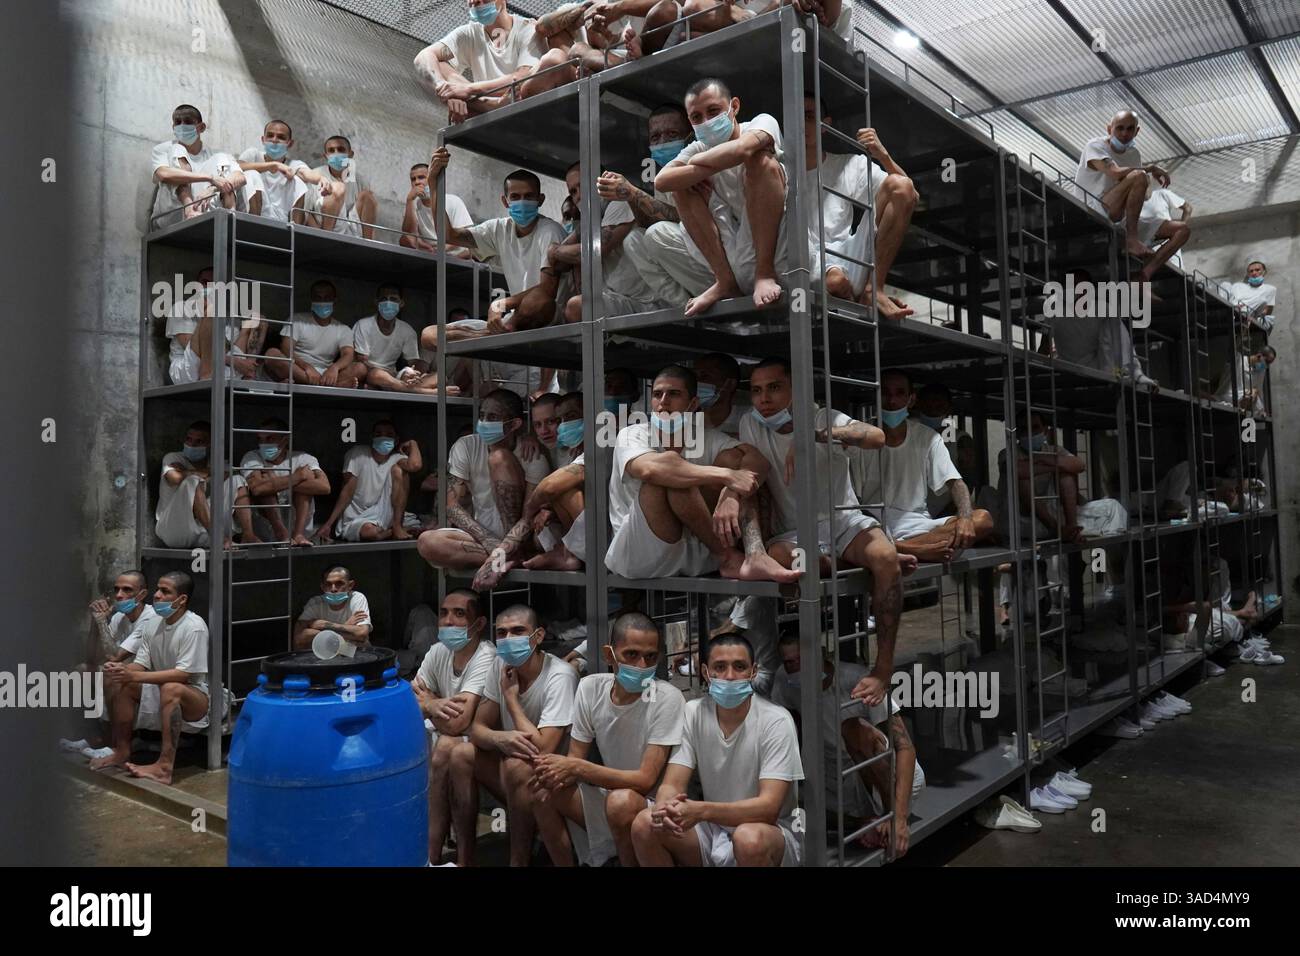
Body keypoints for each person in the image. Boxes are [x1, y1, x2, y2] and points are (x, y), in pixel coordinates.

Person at [743, 357, 911, 703]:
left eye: (774, 387)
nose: (764, 398)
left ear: (795, 389)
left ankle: (882, 668)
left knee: (885, 558)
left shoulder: (822, 417)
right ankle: (838, 562)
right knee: (798, 565)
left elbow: (876, 436)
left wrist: (814, 437)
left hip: (843, 521)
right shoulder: (750, 424)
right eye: (756, 390)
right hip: (792, 531)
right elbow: (750, 472)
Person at [605, 364, 799, 583]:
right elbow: (649, 469)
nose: (663, 402)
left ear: (693, 403)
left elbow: (757, 460)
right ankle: (728, 556)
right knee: (672, 474)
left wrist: (731, 493)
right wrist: (726, 476)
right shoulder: (632, 433)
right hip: (641, 555)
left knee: (734, 460)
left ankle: (756, 554)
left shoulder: (704, 436)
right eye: (658, 394)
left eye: (674, 394)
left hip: (696, 551)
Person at [631, 633, 804, 867]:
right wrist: (665, 806)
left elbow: (768, 808)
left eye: (739, 667)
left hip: (770, 833)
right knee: (645, 823)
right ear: (705, 672)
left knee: (748, 839)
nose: (730, 676)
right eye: (720, 667)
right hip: (716, 829)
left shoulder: (776, 721)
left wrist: (702, 811)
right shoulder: (694, 712)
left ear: (753, 672)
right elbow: (673, 783)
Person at [529, 612, 685, 866]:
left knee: (620, 802)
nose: (641, 665)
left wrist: (577, 768)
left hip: (649, 807)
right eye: (631, 654)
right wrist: (556, 770)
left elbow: (645, 780)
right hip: (609, 795)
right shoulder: (590, 688)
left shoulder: (667, 698)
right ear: (609, 654)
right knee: (542, 789)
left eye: (650, 657)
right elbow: (573, 761)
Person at [770, 630, 924, 858]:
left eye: (802, 659)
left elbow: (905, 748)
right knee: (787, 804)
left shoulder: (857, 680)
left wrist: (898, 818)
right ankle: (866, 822)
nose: (796, 667)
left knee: (851, 728)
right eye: (790, 662)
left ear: (821, 655)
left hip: (889, 779)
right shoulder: (785, 679)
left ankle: (885, 815)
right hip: (842, 781)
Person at [652, 78, 788, 314]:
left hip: (779, 232)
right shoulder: (699, 147)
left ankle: (764, 273)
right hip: (738, 238)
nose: (706, 122)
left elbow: (742, 149)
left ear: (733, 107)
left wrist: (695, 166)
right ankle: (724, 281)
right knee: (680, 188)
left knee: (760, 160)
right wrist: (709, 164)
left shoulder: (762, 122)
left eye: (713, 111)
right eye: (696, 117)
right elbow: (662, 181)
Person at [466, 604, 579, 866]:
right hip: (516, 765)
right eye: (502, 633)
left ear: (538, 636)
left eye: (518, 631)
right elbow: (477, 729)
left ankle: (519, 859)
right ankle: (464, 858)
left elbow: (543, 749)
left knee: (518, 766)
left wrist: (511, 699)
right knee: (457, 752)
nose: (508, 640)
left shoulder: (560, 675)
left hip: (553, 775)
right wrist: (499, 739)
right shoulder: (499, 664)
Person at [89, 572, 213, 785]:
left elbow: (184, 674)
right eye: (157, 589)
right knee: (121, 680)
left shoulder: (194, 626)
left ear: (181, 599)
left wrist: (134, 673)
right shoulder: (154, 622)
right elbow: (141, 663)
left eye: (165, 592)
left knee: (171, 687)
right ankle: (122, 751)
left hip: (194, 696)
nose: (157, 595)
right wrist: (122, 670)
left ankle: (164, 767)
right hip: (160, 688)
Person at [857, 369, 994, 562]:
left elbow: (956, 483)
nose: (892, 401)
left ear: (911, 400)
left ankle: (905, 548)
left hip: (917, 523)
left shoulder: (928, 437)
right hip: (875, 524)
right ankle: (914, 549)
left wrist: (964, 517)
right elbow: (851, 501)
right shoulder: (860, 437)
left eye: (899, 393)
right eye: (885, 393)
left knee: (983, 519)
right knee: (855, 532)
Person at [424, 152, 568, 330]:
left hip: (547, 316)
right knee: (430, 334)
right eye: (515, 197)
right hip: (515, 317)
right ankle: (491, 335)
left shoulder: (550, 231)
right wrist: (433, 184)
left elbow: (546, 291)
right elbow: (449, 236)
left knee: (536, 302)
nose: (522, 202)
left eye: (529, 196)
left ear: (540, 200)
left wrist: (499, 304)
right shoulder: (499, 229)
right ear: (505, 201)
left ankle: (494, 334)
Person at [803, 95, 917, 319]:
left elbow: (910, 195)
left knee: (901, 186)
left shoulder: (847, 164)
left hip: (846, 255)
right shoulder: (778, 167)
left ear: (825, 124)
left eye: (809, 116)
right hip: (803, 260)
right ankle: (851, 290)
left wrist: (883, 156)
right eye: (796, 117)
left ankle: (873, 289)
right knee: (836, 281)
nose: (802, 124)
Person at [417, 389, 551, 570]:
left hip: (522, 539)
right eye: (482, 416)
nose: (484, 422)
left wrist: (508, 545)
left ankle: (509, 555)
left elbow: (529, 516)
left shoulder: (532, 455)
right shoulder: (466, 445)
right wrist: (491, 543)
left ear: (514, 424)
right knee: (427, 543)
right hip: (484, 538)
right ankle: (508, 559)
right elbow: (451, 505)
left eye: (493, 417)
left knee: (499, 458)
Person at [413, 588, 497, 866]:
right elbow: (412, 699)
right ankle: (433, 858)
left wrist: (430, 702)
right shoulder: (438, 651)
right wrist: (432, 706)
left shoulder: (487, 656)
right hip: (447, 735)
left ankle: (461, 859)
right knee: (441, 746)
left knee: (447, 748)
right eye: (444, 613)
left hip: (484, 741)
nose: (448, 621)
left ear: (479, 623)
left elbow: (460, 722)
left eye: (459, 614)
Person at [475, 392, 589, 586]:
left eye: (552, 421)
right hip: (549, 528)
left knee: (563, 492)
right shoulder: (540, 448)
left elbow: (555, 489)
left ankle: (566, 553)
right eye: (537, 425)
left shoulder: (580, 448)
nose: (544, 430)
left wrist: (542, 507)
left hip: (591, 532)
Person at [1072, 111, 1183, 281]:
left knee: (1181, 230)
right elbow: (1115, 172)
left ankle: (1144, 275)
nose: (1125, 134)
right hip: (1094, 208)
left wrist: (1145, 181)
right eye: (1120, 128)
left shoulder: (1133, 154)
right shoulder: (1095, 146)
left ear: (1136, 132)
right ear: (1109, 129)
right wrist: (1150, 169)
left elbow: (1143, 195)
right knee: (1139, 176)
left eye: (1130, 129)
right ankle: (1132, 240)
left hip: (1120, 217)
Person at [1000, 410, 1128, 544]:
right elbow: (1017, 471)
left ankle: (1071, 528)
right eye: (1025, 429)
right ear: (1018, 433)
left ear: (1045, 430)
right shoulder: (1008, 453)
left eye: (1035, 427)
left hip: (1052, 512)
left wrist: (1040, 458)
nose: (1030, 433)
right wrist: (1054, 464)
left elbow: (1079, 465)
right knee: (1023, 478)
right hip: (1020, 518)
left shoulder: (1052, 450)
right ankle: (1056, 529)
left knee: (1066, 473)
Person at [413, 0, 544, 122]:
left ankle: (482, 104)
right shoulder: (469, 33)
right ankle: (489, 105)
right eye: (473, 2)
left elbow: (524, 76)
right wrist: (446, 90)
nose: (478, 3)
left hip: (523, 108)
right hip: (486, 109)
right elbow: (423, 56)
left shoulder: (528, 28)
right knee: (439, 65)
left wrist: (468, 89)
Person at [148, 104, 259, 226]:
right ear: (173, 127)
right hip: (174, 213)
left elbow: (240, 178)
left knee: (221, 158)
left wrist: (213, 188)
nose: (182, 126)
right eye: (178, 122)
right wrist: (210, 178)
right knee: (177, 148)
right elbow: (163, 175)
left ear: (201, 127)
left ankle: (229, 214)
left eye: (188, 122)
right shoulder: (164, 148)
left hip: (206, 208)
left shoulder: (215, 155)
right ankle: (189, 210)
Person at [155, 421, 260, 548]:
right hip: (175, 529)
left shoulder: (216, 461)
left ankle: (248, 536)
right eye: (188, 439)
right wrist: (199, 475)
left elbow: (228, 474)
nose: (191, 444)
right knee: (193, 481)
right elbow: (174, 478)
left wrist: (188, 471)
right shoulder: (173, 457)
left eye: (199, 441)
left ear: (210, 444)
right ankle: (219, 538)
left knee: (237, 480)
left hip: (202, 532)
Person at [315, 421, 423, 543]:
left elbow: (415, 465)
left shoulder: (397, 458)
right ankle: (392, 531)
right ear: (372, 437)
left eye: (389, 434)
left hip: (386, 513)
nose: (383, 437)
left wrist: (413, 443)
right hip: (358, 516)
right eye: (378, 434)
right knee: (370, 532)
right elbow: (347, 491)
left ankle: (397, 527)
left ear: (396, 440)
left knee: (399, 470)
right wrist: (329, 524)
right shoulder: (358, 454)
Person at [239, 417, 331, 546]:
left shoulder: (303, 458)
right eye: (260, 439)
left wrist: (274, 483)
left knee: (270, 484)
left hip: (300, 532)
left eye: (269, 438)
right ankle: (281, 533)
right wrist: (296, 478)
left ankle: (298, 534)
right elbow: (257, 488)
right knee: (266, 489)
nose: (263, 444)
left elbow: (324, 487)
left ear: (285, 439)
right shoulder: (252, 457)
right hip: (264, 533)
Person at [265, 279, 366, 387]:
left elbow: (348, 355)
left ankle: (317, 382)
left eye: (327, 298)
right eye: (318, 297)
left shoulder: (343, 329)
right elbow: (286, 348)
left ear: (334, 300)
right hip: (299, 369)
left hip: (327, 373)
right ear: (312, 299)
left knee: (360, 368)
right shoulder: (297, 319)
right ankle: (333, 385)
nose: (322, 301)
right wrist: (307, 367)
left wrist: (334, 368)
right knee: (272, 354)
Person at [352, 283, 440, 394]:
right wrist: (383, 378)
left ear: (401, 303)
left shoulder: (407, 330)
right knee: (377, 374)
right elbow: (362, 362)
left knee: (439, 377)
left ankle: (397, 387)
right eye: (384, 298)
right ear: (376, 302)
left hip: (393, 376)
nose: (388, 302)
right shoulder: (363, 325)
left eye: (393, 299)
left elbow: (413, 362)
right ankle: (426, 392)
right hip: (371, 374)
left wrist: (412, 373)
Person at [301, 135, 377, 239]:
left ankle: (368, 245)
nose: (336, 154)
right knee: (337, 188)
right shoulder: (316, 175)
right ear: (325, 155)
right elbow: (306, 211)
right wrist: (317, 234)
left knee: (368, 196)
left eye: (341, 150)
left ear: (350, 154)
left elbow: (367, 213)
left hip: (352, 229)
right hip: (324, 228)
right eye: (331, 151)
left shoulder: (361, 181)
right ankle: (326, 238)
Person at [237, 119, 310, 223]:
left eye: (281, 137)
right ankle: (253, 224)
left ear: (290, 143)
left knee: (298, 182)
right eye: (270, 135)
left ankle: (295, 230)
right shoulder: (253, 154)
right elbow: (237, 166)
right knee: (252, 174)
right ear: (263, 139)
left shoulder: (293, 164)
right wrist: (273, 165)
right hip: (249, 213)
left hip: (280, 219)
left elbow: (307, 174)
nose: (274, 140)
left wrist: (321, 179)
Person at [85, 571, 158, 672]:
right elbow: (94, 658)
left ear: (142, 594)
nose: (119, 595)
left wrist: (102, 622)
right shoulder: (119, 617)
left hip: (145, 680)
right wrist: (95, 622)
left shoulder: (151, 618)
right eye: (116, 589)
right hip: (123, 674)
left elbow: (114, 657)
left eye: (127, 590)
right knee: (84, 670)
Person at [292, 566, 372, 650]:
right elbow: (299, 640)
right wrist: (347, 626)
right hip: (325, 656)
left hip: (356, 655)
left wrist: (324, 625)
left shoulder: (357, 598)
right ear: (322, 587)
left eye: (339, 583)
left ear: (350, 585)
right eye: (328, 584)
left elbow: (362, 634)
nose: (333, 589)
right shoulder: (315, 603)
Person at [1138, 174, 1192, 270]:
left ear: (1150, 184)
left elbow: (1187, 208)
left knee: (1176, 273)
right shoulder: (1133, 205)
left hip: (1169, 248)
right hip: (1149, 251)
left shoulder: (1162, 194)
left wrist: (1180, 230)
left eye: (1146, 186)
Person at [693, 352, 745, 435]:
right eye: (694, 377)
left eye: (705, 376)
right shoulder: (684, 422)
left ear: (730, 384)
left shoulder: (748, 422)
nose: (697, 382)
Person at [1228, 261, 1277, 336]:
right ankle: (1230, 309)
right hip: (1233, 307)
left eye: (1257, 270)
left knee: (1262, 300)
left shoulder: (1270, 289)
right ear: (1248, 274)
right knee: (1226, 285)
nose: (1254, 273)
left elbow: (1267, 311)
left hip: (1250, 312)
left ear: (1264, 272)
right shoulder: (1239, 286)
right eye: (1251, 271)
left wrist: (1257, 317)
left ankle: (1242, 313)